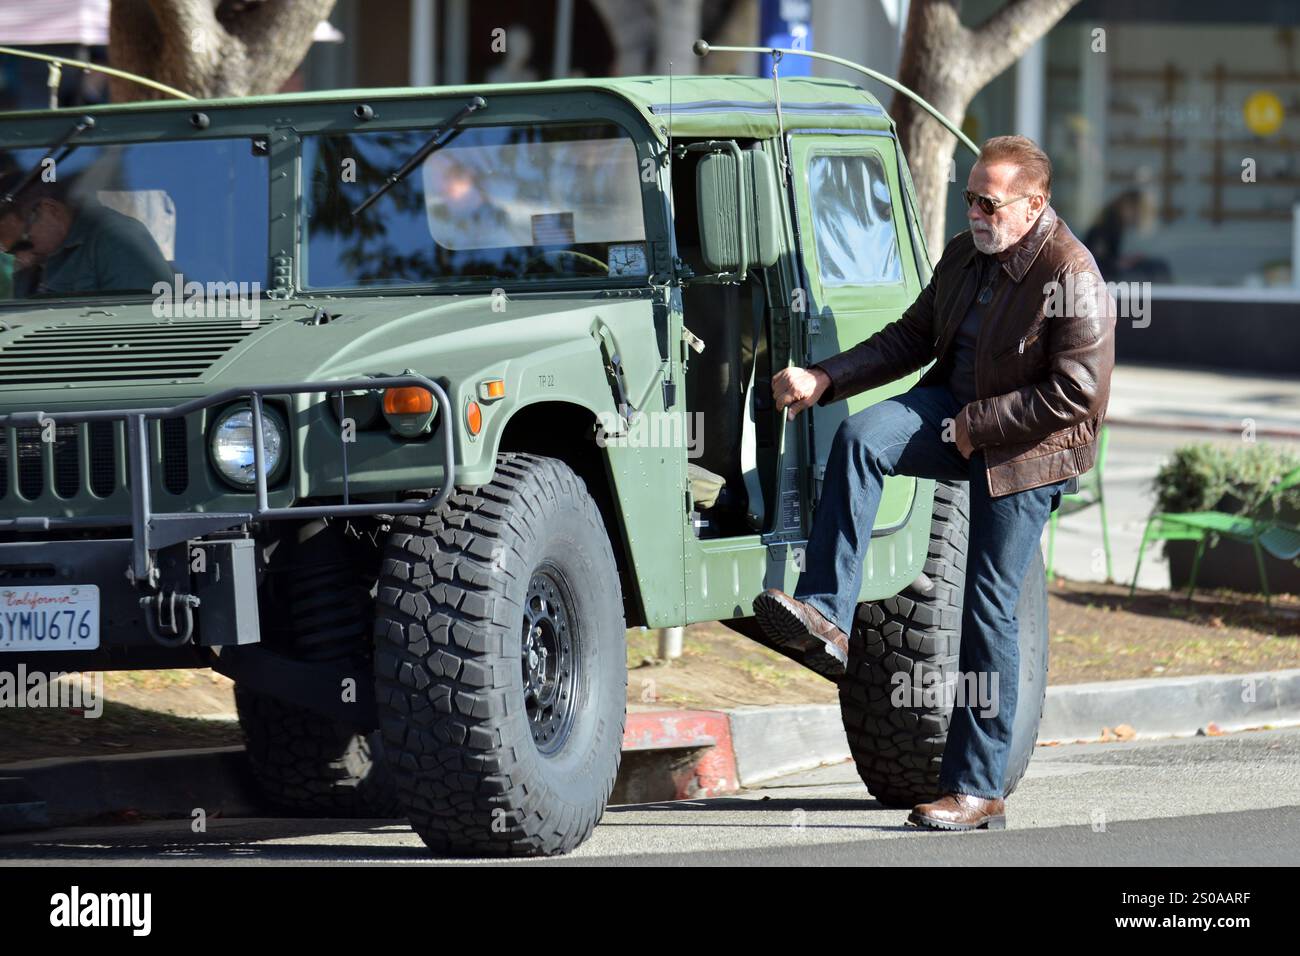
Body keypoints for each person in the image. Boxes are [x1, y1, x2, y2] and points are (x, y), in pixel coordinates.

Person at [752, 135, 1115, 831]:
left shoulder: (1072, 272)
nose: (975, 211)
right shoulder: (965, 256)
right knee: (862, 437)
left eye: (989, 201)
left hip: (1028, 450)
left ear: (1034, 203)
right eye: (969, 197)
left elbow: (1079, 394)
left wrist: (980, 426)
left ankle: (978, 788)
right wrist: (826, 377)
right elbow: (910, 337)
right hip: (957, 413)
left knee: (986, 606)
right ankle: (827, 614)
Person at [8, 179, 172, 298]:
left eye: (22, 242)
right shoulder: (36, 260)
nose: (20, 256)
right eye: (8, 250)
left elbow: (141, 323)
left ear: (50, 210)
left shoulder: (116, 237)